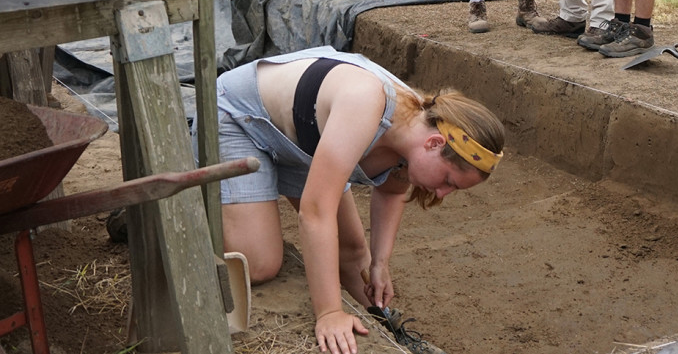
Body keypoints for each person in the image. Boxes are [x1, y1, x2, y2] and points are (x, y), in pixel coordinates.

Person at [206, 46, 505, 354]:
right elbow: (316, 212)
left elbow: (390, 191)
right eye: (448, 181)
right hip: (242, 118)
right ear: (434, 143)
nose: (441, 193)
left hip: (301, 142)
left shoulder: (416, 137)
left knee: (354, 254)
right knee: (260, 264)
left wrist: (380, 262)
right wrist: (329, 312)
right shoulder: (365, 105)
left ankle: (389, 333)